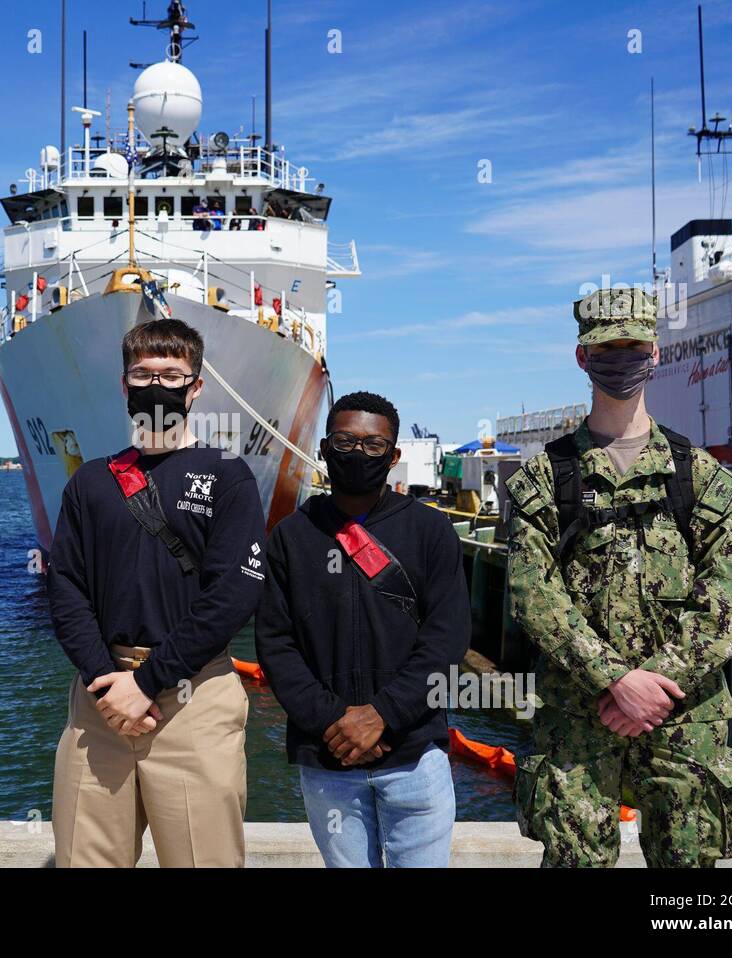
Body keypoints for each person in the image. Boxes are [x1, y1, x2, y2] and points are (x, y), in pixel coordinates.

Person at [506, 287, 732, 868]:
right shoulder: (546, 479)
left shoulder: (700, 477)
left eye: (633, 347)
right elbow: (532, 594)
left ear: (655, 353)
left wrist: (653, 685)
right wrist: (615, 680)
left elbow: (727, 600)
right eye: (605, 348)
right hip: (580, 716)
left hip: (684, 715)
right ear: (581, 357)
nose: (621, 360)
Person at [47, 318, 265, 867]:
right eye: (143, 374)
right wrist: (107, 684)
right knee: (84, 858)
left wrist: (147, 682)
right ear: (124, 386)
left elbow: (233, 594)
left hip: (194, 695)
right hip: (101, 698)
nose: (156, 386)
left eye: (171, 374)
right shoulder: (90, 482)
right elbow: (67, 587)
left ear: (195, 388)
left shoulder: (227, 476)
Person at [255, 391, 470, 867]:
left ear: (393, 457)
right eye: (345, 442)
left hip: (416, 757)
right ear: (326, 448)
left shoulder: (431, 532)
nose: (358, 454)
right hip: (327, 761)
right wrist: (333, 720)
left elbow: (447, 640)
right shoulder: (291, 537)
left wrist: (382, 715)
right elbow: (275, 645)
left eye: (374, 446)